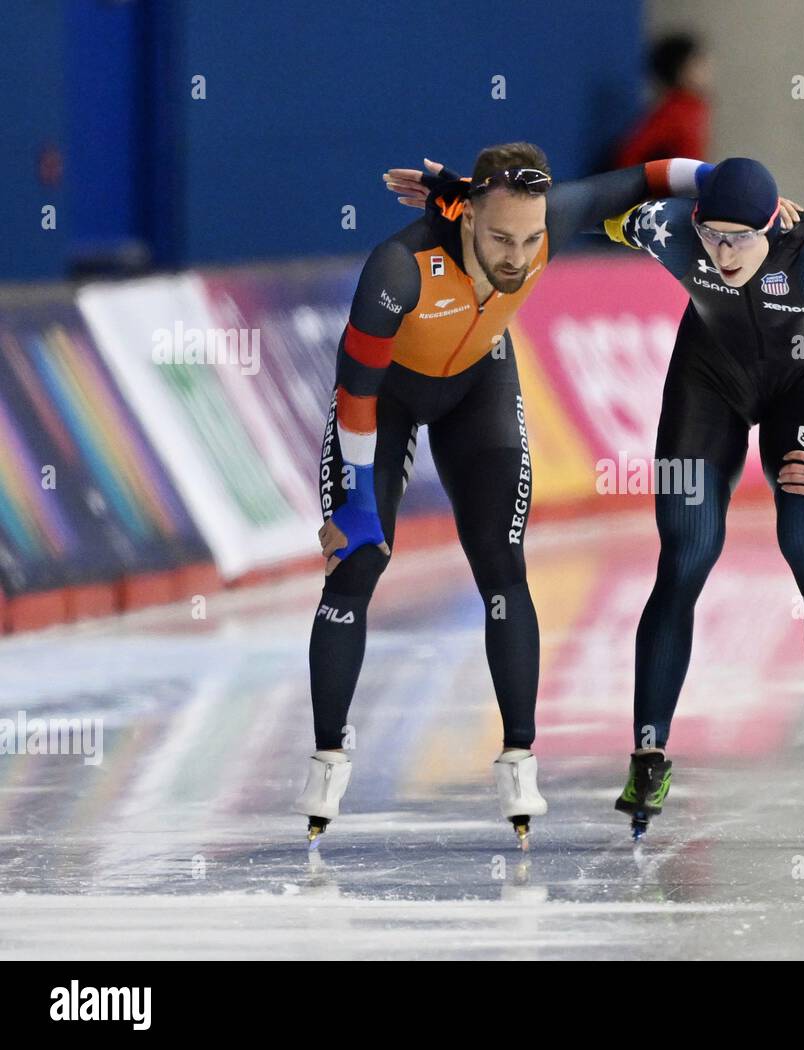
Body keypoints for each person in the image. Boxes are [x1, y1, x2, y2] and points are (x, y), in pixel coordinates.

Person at [293, 143, 723, 850]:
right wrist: (358, 503)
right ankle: (328, 759)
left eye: (529, 240)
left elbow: (647, 178)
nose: (517, 256)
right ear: (465, 220)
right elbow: (356, 393)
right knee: (359, 561)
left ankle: (520, 759)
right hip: (386, 400)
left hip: (478, 384)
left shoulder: (547, 220)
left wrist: (718, 181)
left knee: (503, 563)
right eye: (498, 239)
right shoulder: (397, 270)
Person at [600, 158, 804, 840]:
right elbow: (597, 204)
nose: (724, 252)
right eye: (713, 235)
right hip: (707, 382)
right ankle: (648, 756)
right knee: (685, 557)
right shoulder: (669, 229)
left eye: (742, 237)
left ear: (775, 224)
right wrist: (700, 177)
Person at [613, 33, 712, 167]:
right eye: (696, 64)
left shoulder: (696, 107)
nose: (706, 70)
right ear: (680, 70)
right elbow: (630, 154)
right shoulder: (672, 112)